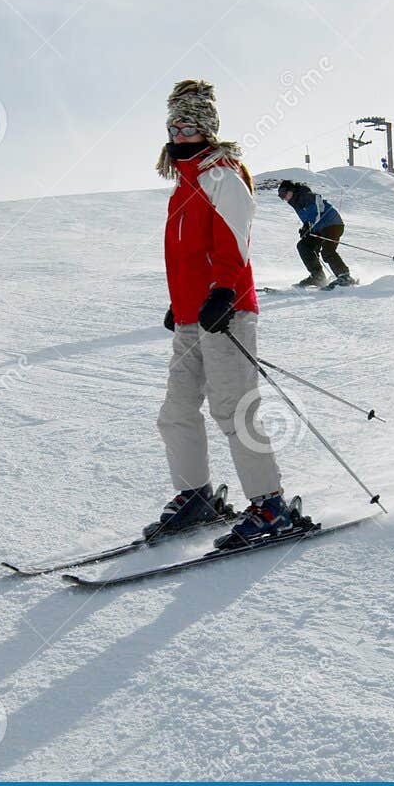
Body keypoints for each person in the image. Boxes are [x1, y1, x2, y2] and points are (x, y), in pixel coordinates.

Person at [151, 80, 299, 549]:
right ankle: (196, 496)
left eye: (189, 127)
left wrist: (223, 292)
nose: (179, 135)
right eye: (174, 127)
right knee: (176, 410)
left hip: (226, 312)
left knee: (234, 408)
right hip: (193, 316)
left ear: (207, 130)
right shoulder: (184, 185)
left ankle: (270, 504)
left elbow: (234, 242)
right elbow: (187, 256)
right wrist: (180, 302)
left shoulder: (222, 176)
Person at [276, 179, 356, 288]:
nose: (283, 198)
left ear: (291, 190)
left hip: (332, 225)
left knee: (327, 251)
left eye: (283, 193)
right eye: (280, 196)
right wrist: (306, 228)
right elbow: (308, 218)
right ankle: (318, 277)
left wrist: (308, 226)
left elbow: (315, 213)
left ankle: (344, 276)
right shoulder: (295, 202)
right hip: (319, 229)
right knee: (304, 246)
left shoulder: (306, 195)